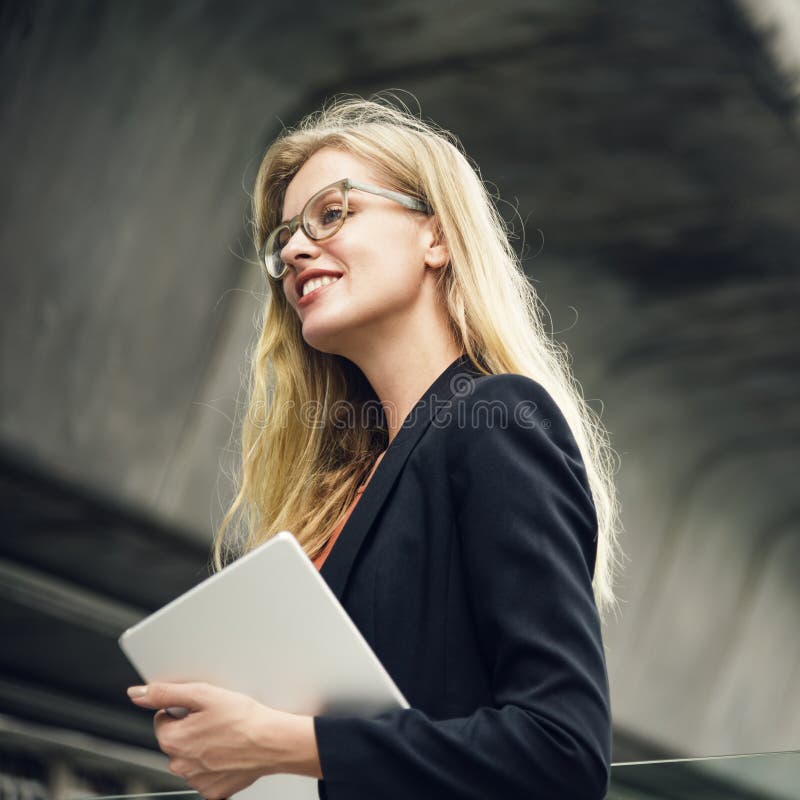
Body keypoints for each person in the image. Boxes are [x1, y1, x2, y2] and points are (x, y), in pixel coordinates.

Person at [128, 95, 620, 800]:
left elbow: (562, 753)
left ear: (435, 237)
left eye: (332, 213)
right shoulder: (348, 485)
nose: (293, 250)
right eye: (283, 238)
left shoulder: (497, 419)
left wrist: (287, 744)